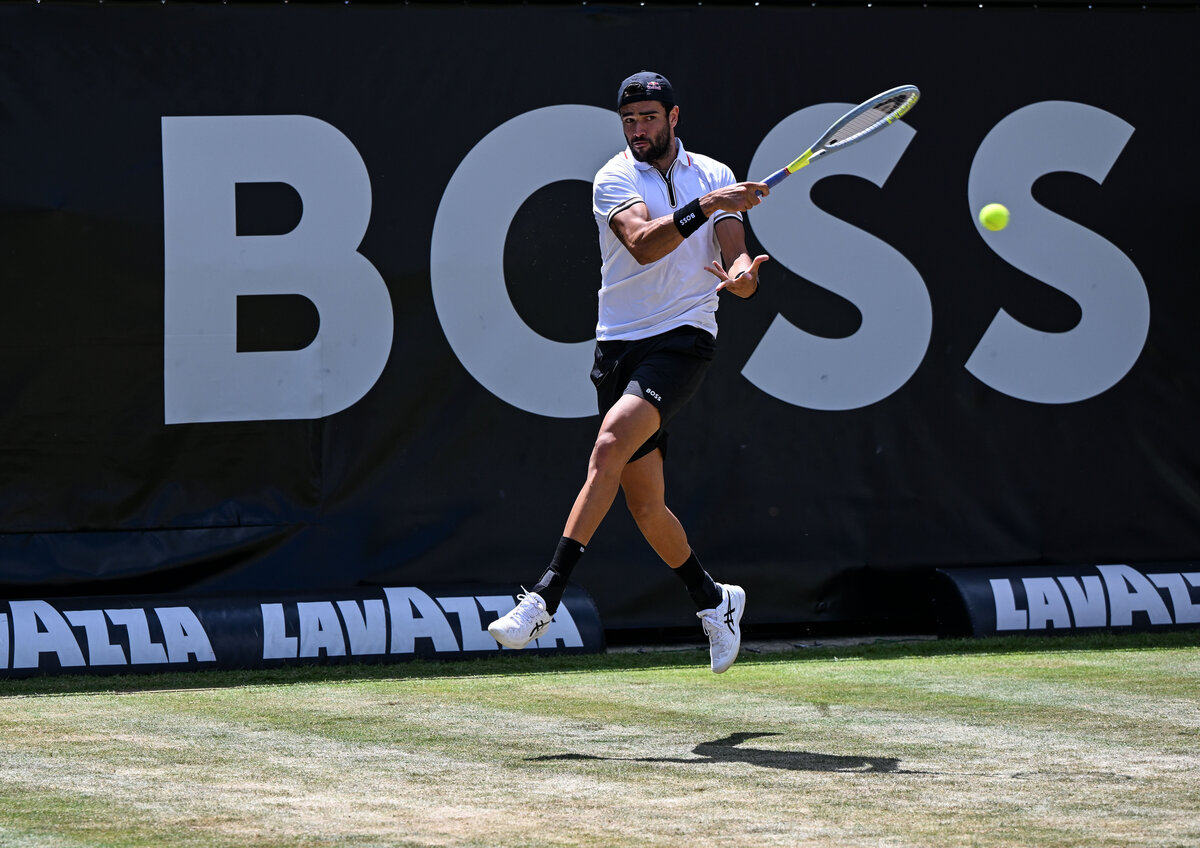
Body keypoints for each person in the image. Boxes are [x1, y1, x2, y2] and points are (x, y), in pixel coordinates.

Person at [488, 71, 769, 673]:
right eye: (628, 121)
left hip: (685, 339)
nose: (638, 130)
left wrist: (743, 275)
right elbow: (643, 243)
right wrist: (711, 204)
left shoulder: (713, 174)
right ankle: (715, 602)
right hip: (619, 348)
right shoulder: (614, 176)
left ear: (673, 117)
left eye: (648, 118)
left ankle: (544, 597)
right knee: (645, 506)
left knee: (610, 443)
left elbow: (733, 251)